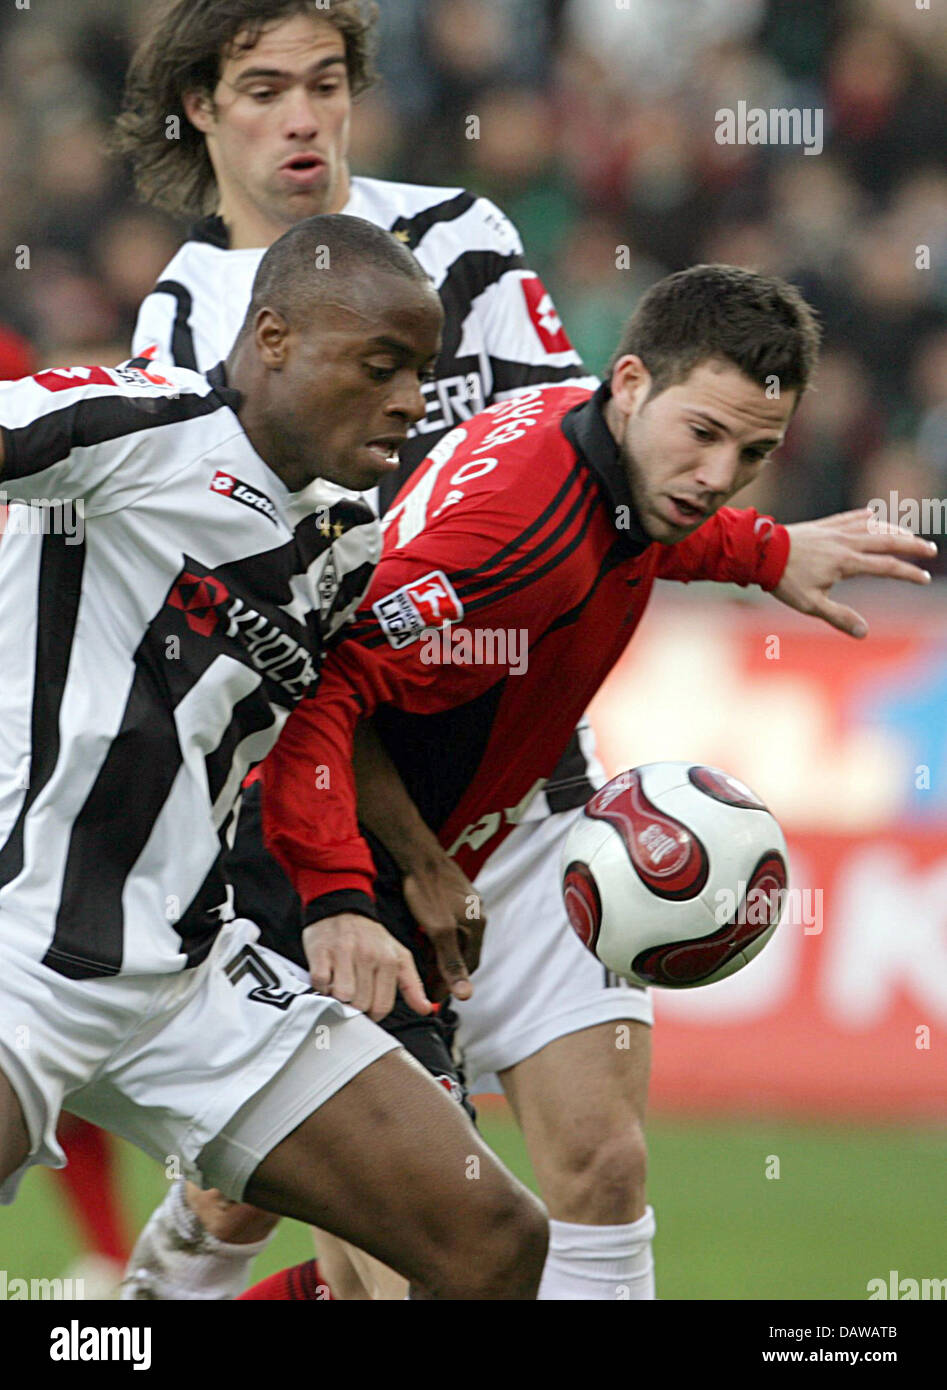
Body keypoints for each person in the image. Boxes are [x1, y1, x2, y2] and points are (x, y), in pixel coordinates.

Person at [251, 263, 937, 1304]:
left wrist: (764, 551)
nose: (717, 474)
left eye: (752, 453)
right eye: (701, 434)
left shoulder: (600, 452)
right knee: (414, 1256)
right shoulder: (502, 544)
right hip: (326, 865)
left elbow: (635, 528)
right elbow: (312, 688)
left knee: (584, 1178)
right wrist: (392, 877)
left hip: (490, 830)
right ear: (628, 382)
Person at [116, 0, 654, 1303]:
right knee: (411, 1240)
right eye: (259, 90)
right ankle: (171, 1274)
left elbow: (579, 463)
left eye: (322, 82)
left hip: (520, 780)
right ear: (199, 106)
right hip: (330, 802)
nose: (300, 117)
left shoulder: (460, 237)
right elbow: (246, 621)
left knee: (598, 1167)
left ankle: (199, 1229)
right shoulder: (185, 328)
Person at [0, 212, 548, 1302]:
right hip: (21, 947)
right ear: (275, 336)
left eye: (422, 372)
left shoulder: (345, 537)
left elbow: (321, 717)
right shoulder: (135, 424)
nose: (407, 399)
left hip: (190, 976)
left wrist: (406, 863)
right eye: (380, 365)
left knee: (491, 1236)